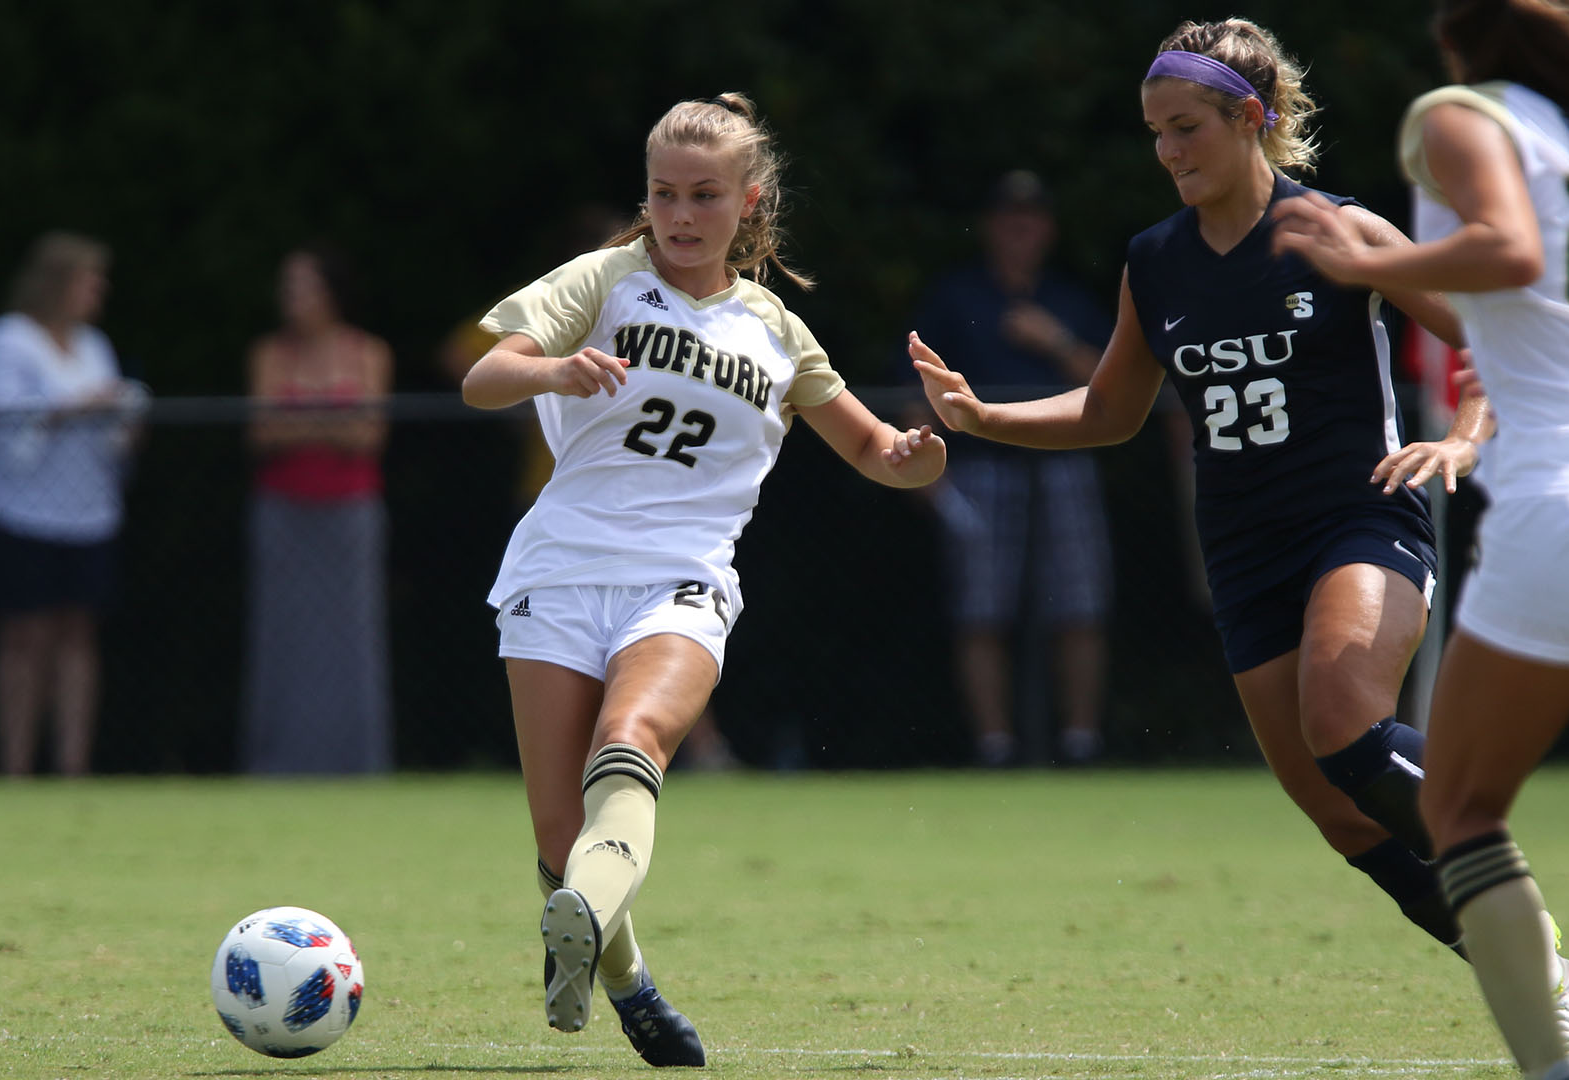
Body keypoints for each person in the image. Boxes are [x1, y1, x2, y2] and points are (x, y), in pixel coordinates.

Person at [908, 17, 1569, 1065]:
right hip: (1242, 550)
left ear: (1251, 120)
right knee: (1341, 812)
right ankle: (1540, 976)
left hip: (1360, 517)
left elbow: (1490, 343)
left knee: (1344, 721)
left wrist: (1461, 436)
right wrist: (982, 416)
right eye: (1155, 132)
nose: (1167, 150)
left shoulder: (1335, 229)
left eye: (1186, 127)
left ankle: (1526, 924)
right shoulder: (1156, 262)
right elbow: (1110, 411)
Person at [462, 92, 944, 1067]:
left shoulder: (776, 330)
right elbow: (484, 378)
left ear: (748, 202)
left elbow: (873, 449)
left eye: (705, 195)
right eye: (664, 194)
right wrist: (551, 372)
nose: (680, 215)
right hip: (559, 568)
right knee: (561, 837)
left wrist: (918, 452)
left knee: (631, 737)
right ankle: (626, 982)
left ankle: (581, 918)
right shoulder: (605, 280)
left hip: (680, 579)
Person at [1271, 3, 1569, 1077]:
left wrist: (1365, 262)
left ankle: (1552, 1068)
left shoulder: (1460, 116)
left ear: (1456, 36)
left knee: (1452, 805)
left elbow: (1510, 246)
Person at [907, 169, 1114, 766]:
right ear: (990, 227)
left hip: (1064, 464)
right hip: (980, 470)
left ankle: (1081, 744)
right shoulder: (955, 297)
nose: (1020, 229)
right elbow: (915, 387)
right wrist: (925, 470)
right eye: (1008, 218)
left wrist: (1054, 340)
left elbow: (1115, 388)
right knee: (981, 611)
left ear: (1048, 229)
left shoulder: (1070, 299)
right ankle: (994, 746)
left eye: (1032, 218)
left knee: (1080, 604)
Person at [0, 231, 144, 777]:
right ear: (57, 282)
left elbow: (112, 432)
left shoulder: (94, 345)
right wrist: (77, 407)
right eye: (90, 281)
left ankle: (72, 767)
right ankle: (15, 768)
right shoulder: (6, 341)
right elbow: (4, 422)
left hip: (87, 513)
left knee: (77, 636)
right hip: (20, 514)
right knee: (24, 636)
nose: (98, 293)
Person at [242, 246, 394, 774]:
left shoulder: (367, 352)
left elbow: (368, 436)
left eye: (302, 286)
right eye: (287, 286)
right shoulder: (269, 353)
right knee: (282, 639)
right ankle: (278, 763)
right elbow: (263, 433)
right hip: (283, 514)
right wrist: (334, 417)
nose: (290, 297)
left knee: (351, 641)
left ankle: (355, 763)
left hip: (349, 518)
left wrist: (299, 417)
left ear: (330, 292)